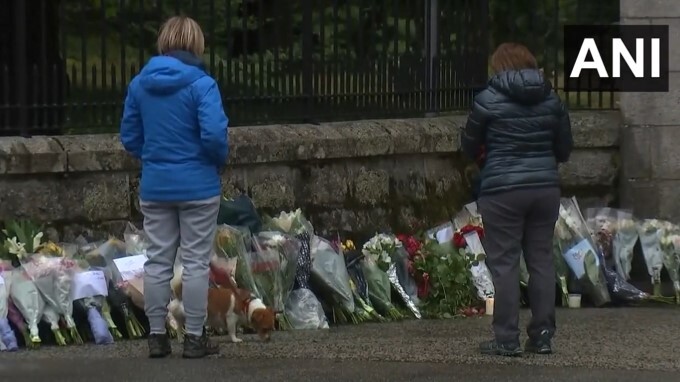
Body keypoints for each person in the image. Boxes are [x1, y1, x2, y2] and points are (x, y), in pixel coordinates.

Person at [120, 16, 229, 359]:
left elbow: (131, 137)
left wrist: (154, 158)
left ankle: (156, 336)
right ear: (196, 43)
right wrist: (214, 160)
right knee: (196, 262)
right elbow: (214, 135)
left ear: (163, 42)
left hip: (156, 185)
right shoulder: (203, 84)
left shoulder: (139, 85)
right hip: (198, 185)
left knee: (156, 261)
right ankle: (194, 338)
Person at [461, 42, 573, 357]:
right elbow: (564, 149)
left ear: (499, 67)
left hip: (502, 191)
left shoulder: (487, 100)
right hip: (544, 189)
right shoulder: (552, 100)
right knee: (541, 260)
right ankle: (542, 336)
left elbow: (469, 145)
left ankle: (507, 338)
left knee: (505, 263)